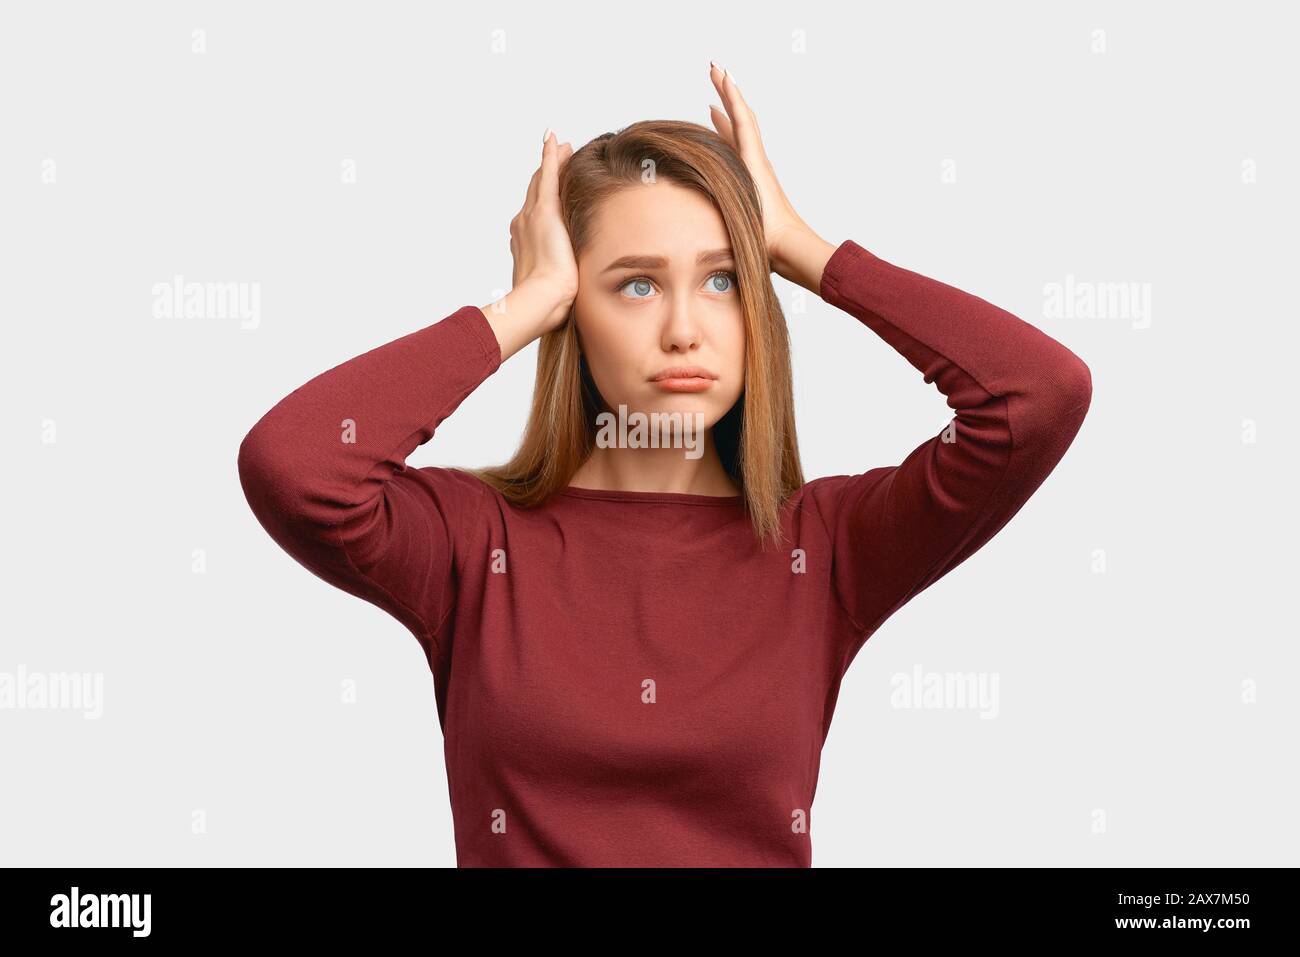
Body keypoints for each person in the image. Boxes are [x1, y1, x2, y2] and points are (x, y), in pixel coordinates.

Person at [237, 63, 1092, 866]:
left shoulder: (825, 547)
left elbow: (1037, 395)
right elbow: (295, 464)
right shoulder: (473, 543)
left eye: (723, 281)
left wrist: (803, 247)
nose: (685, 328)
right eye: (637, 285)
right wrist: (522, 305)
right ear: (577, 309)